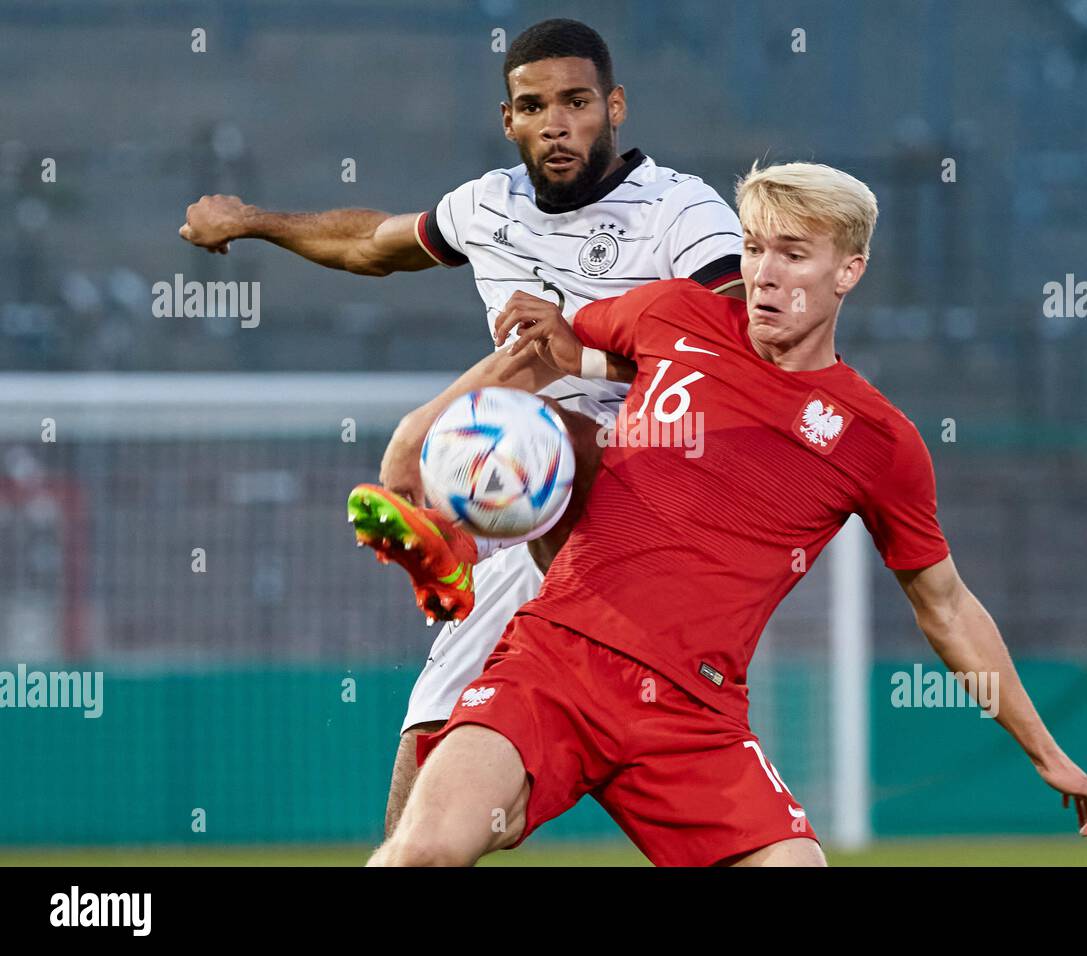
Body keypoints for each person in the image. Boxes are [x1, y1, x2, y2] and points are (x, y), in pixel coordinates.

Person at [357, 161, 1087, 867]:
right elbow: (548, 346)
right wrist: (415, 443)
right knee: (422, 850)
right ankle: (464, 543)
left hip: (695, 717)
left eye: (793, 254)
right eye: (752, 249)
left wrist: (1045, 750)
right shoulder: (674, 312)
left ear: (849, 272)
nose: (764, 275)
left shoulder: (881, 442)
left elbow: (947, 607)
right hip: (556, 660)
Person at [177, 18, 745, 834]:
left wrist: (590, 355)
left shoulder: (682, 211)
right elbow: (370, 245)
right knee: (426, 770)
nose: (557, 122)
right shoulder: (487, 207)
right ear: (508, 119)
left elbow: (735, 354)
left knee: (520, 418)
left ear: (614, 106)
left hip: (650, 477)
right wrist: (253, 220)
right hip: (525, 493)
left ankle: (458, 536)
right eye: (534, 105)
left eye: (578, 101)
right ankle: (477, 552)